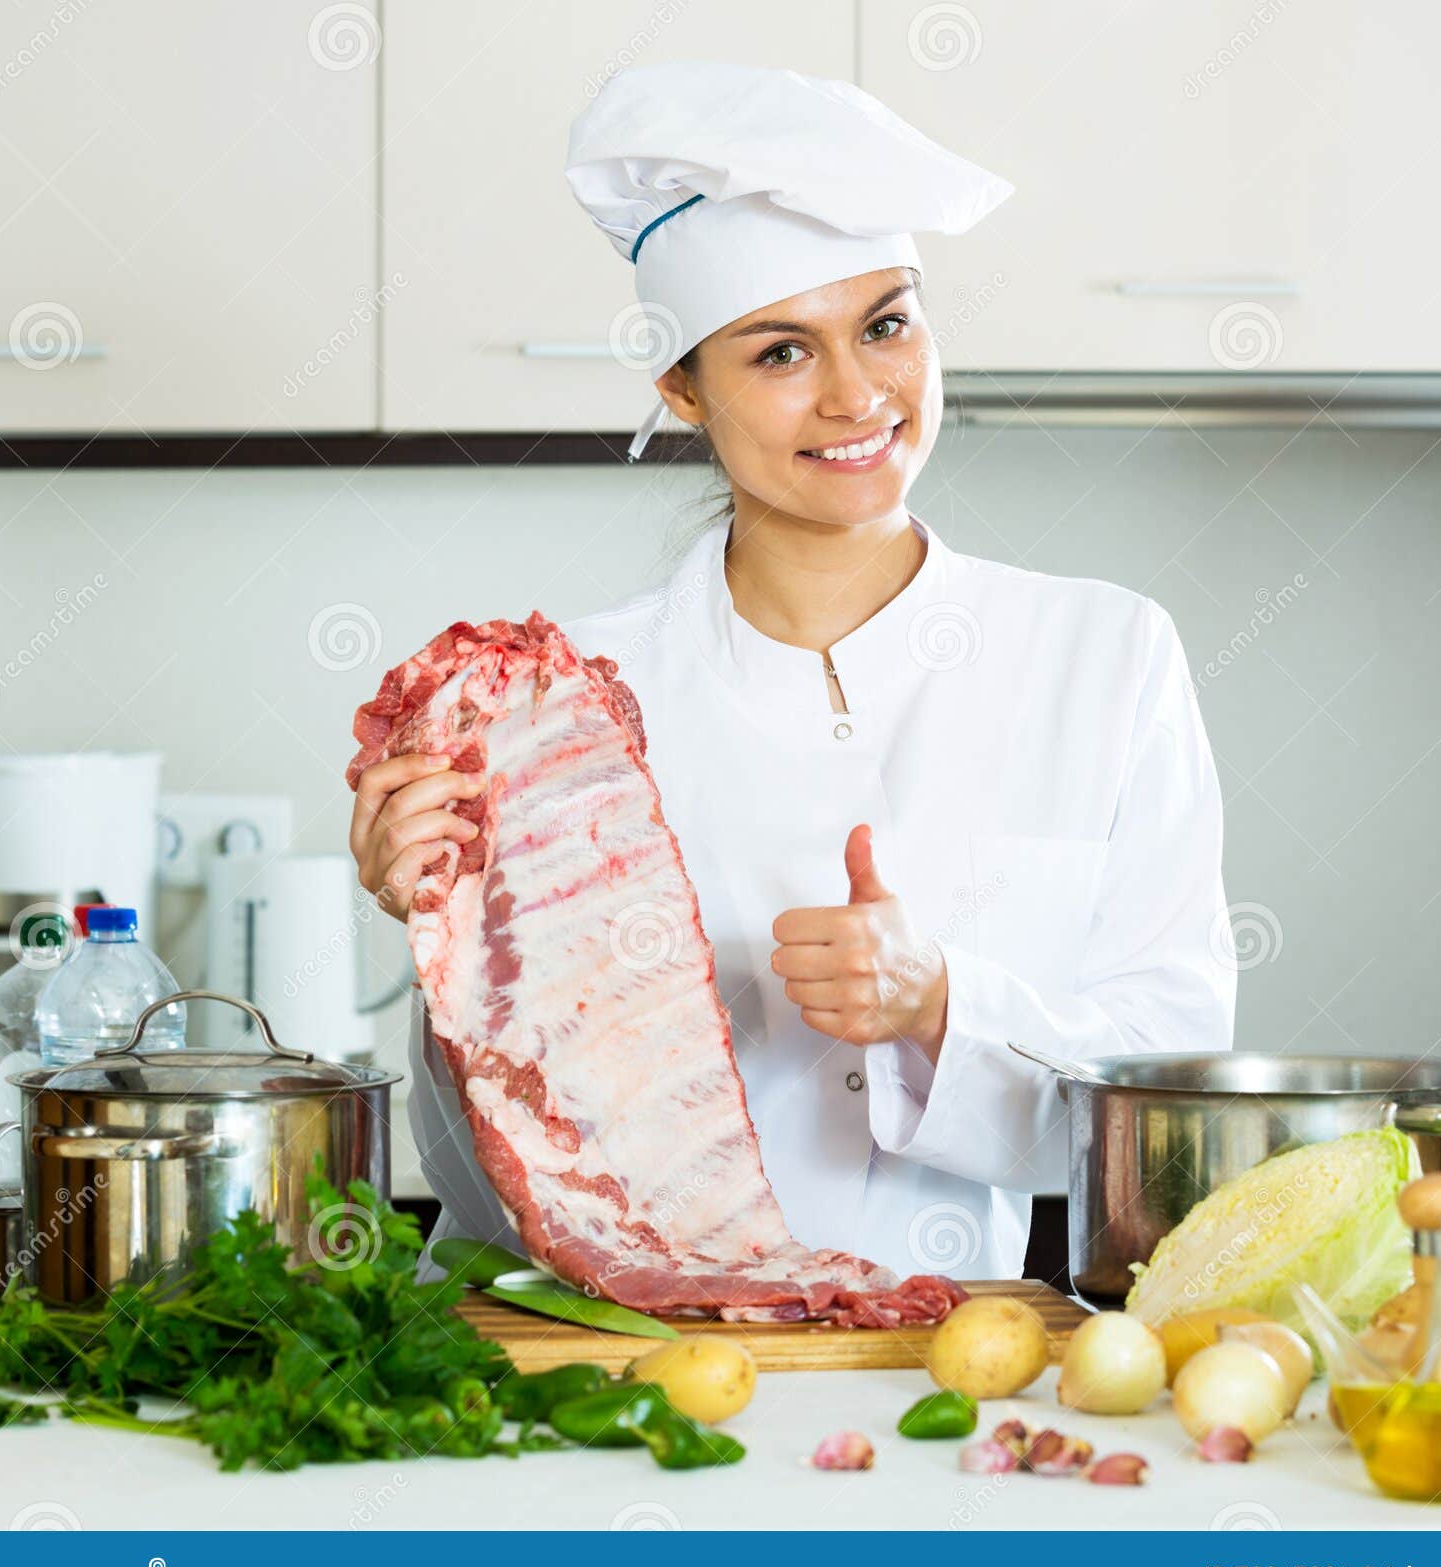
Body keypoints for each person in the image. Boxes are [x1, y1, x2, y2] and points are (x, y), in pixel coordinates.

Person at [348, 62, 1235, 1283]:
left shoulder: (1102, 655)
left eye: (886, 323)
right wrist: (440, 937)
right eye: (779, 352)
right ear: (682, 391)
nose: (858, 393)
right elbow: (470, 1173)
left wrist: (941, 1005)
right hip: (602, 1365)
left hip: (934, 1362)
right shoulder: (557, 705)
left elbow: (1169, 1103)